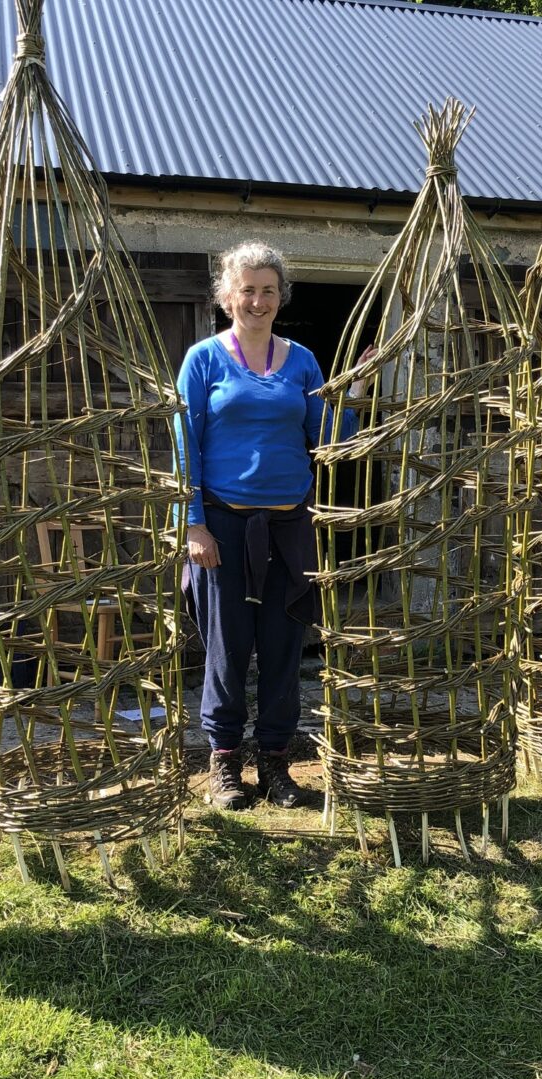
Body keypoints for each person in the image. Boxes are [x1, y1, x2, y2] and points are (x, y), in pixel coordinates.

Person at [176, 242, 365, 811]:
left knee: (284, 647)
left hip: (288, 525)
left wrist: (353, 394)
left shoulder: (302, 360)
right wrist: (194, 524)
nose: (257, 301)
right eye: (247, 290)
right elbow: (187, 445)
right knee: (227, 649)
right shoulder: (204, 359)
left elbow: (326, 435)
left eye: (268, 290)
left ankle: (277, 764)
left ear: (281, 297)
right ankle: (224, 765)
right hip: (223, 526)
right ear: (226, 297)